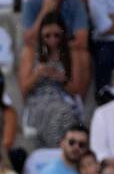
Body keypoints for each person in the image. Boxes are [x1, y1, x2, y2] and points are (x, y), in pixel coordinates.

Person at [19, 14, 86, 150]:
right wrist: (37, 74)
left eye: (57, 35)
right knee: (55, 112)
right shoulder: (31, 52)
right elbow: (24, 89)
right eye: (47, 35)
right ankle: (56, 149)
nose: (52, 40)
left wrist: (59, 77)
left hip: (63, 98)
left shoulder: (71, 54)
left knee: (62, 112)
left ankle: (56, 150)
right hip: (38, 99)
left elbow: (76, 89)